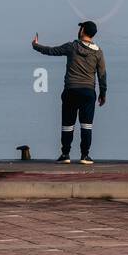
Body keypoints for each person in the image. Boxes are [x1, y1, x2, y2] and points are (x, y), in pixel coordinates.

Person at [33, 21, 107, 165]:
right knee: (87, 125)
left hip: (71, 90)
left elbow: (51, 51)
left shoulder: (72, 47)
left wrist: (35, 45)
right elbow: (102, 74)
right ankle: (85, 156)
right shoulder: (98, 52)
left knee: (67, 124)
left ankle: (65, 154)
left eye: (80, 27)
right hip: (88, 92)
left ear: (83, 30)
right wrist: (103, 93)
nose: (78, 30)